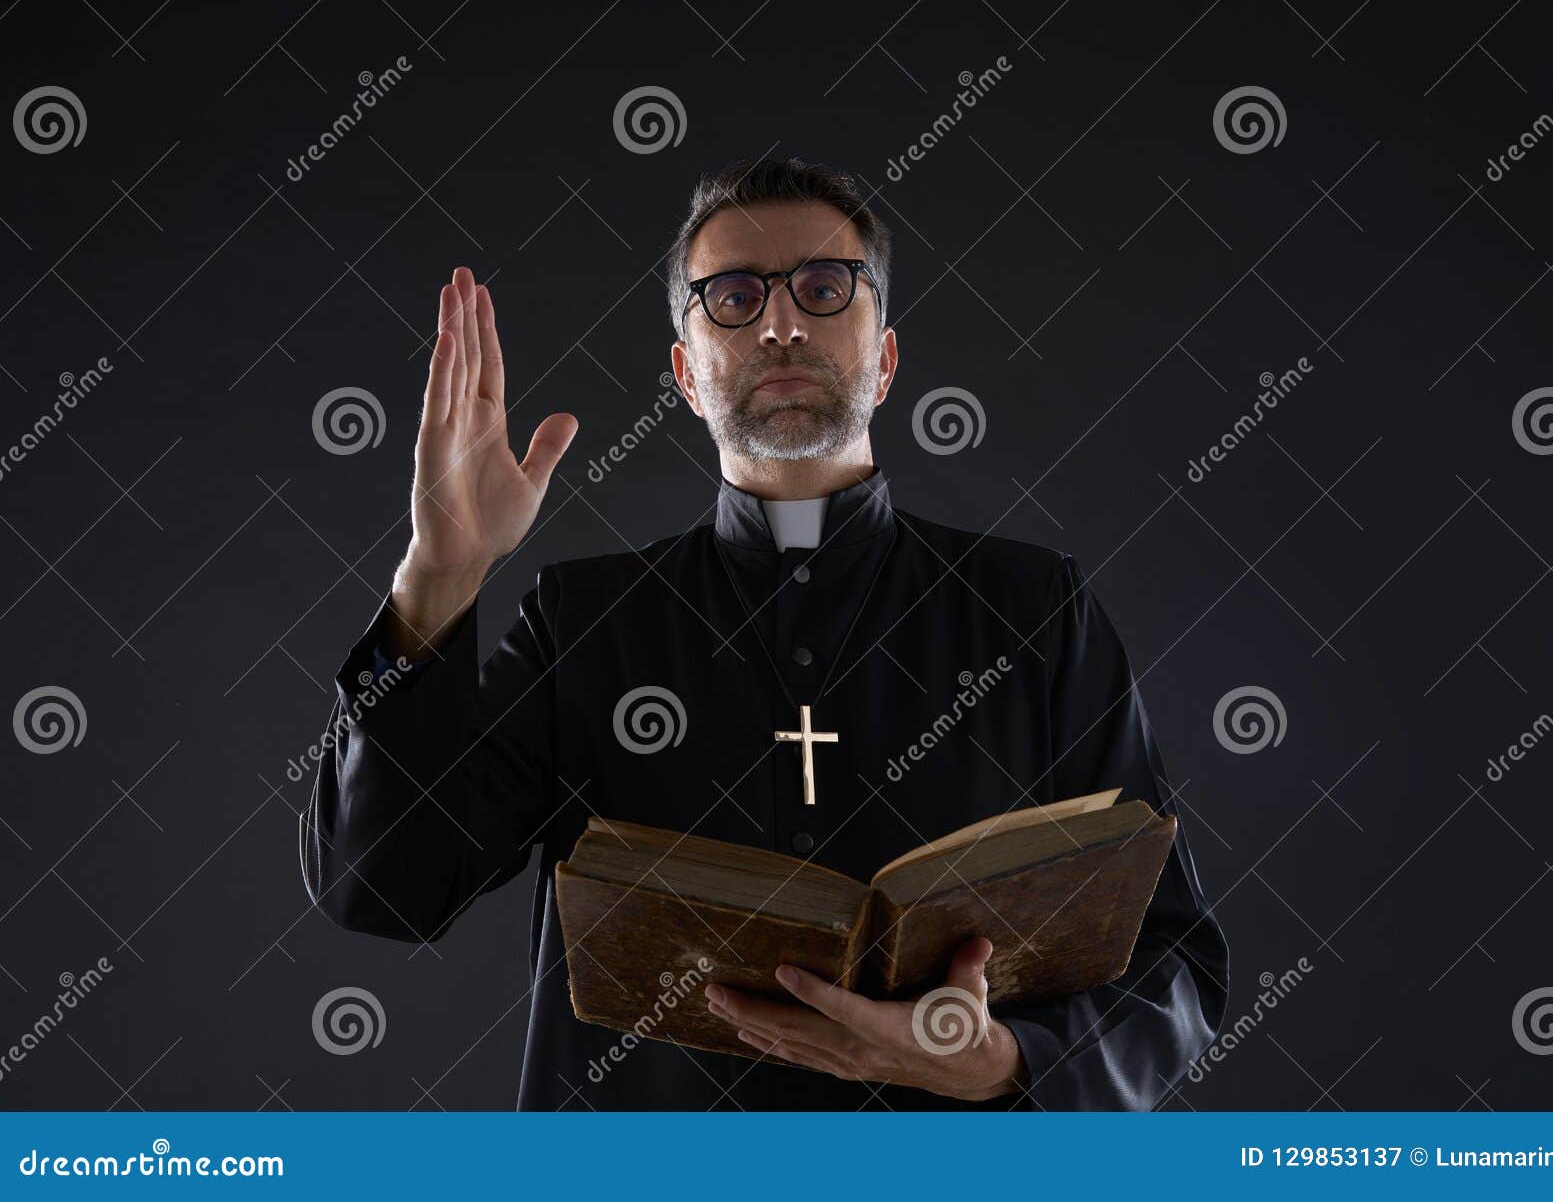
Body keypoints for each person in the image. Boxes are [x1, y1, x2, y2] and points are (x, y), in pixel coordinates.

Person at [298, 155, 1228, 1110]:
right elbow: (385, 889)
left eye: (824, 288)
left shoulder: (1032, 609)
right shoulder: (585, 621)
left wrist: (1004, 1061)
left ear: (888, 356)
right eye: (733, 297)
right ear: (687, 376)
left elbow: (1175, 969)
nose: (782, 323)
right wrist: (441, 577)